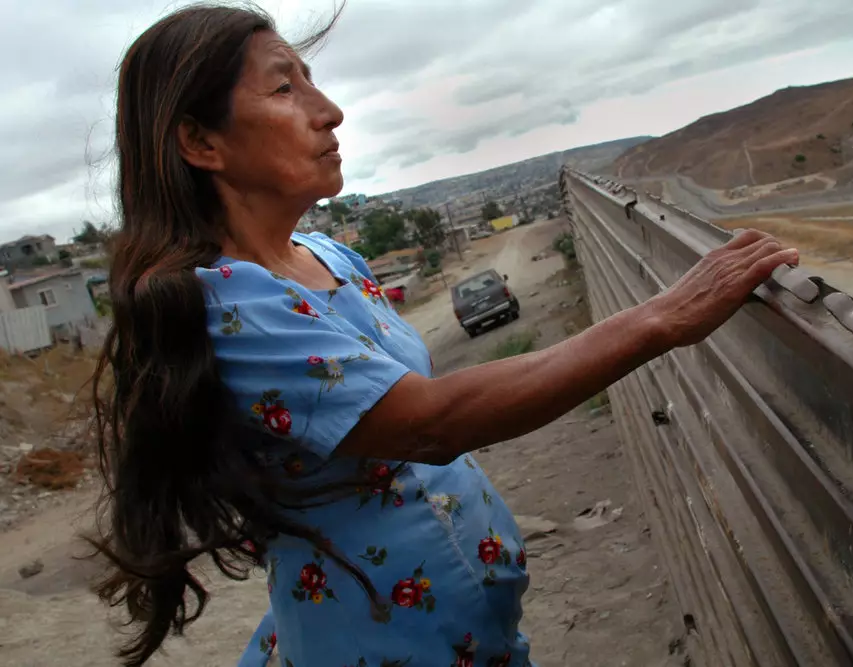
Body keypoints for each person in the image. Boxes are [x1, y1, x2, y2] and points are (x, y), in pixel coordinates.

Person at [87, 5, 799, 667]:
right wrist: (660, 319)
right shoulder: (228, 306)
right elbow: (430, 423)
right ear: (200, 140)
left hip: (468, 630)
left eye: (313, 82)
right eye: (283, 90)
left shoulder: (331, 259)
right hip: (377, 643)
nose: (329, 112)